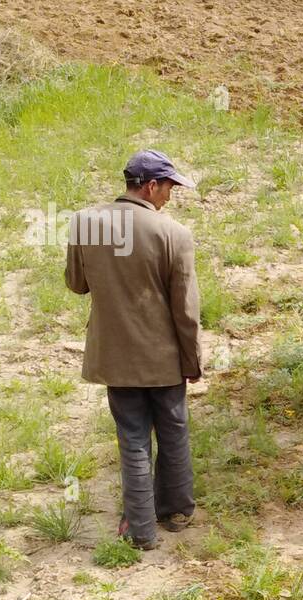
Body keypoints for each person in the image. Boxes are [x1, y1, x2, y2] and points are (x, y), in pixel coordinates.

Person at [64, 149, 202, 551]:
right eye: (169, 188)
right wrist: (192, 361)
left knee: (133, 439)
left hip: (115, 357)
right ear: (150, 185)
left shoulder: (86, 224)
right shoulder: (174, 234)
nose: (170, 197)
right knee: (174, 432)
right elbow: (186, 310)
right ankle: (177, 512)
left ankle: (141, 531)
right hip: (165, 359)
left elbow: (76, 283)